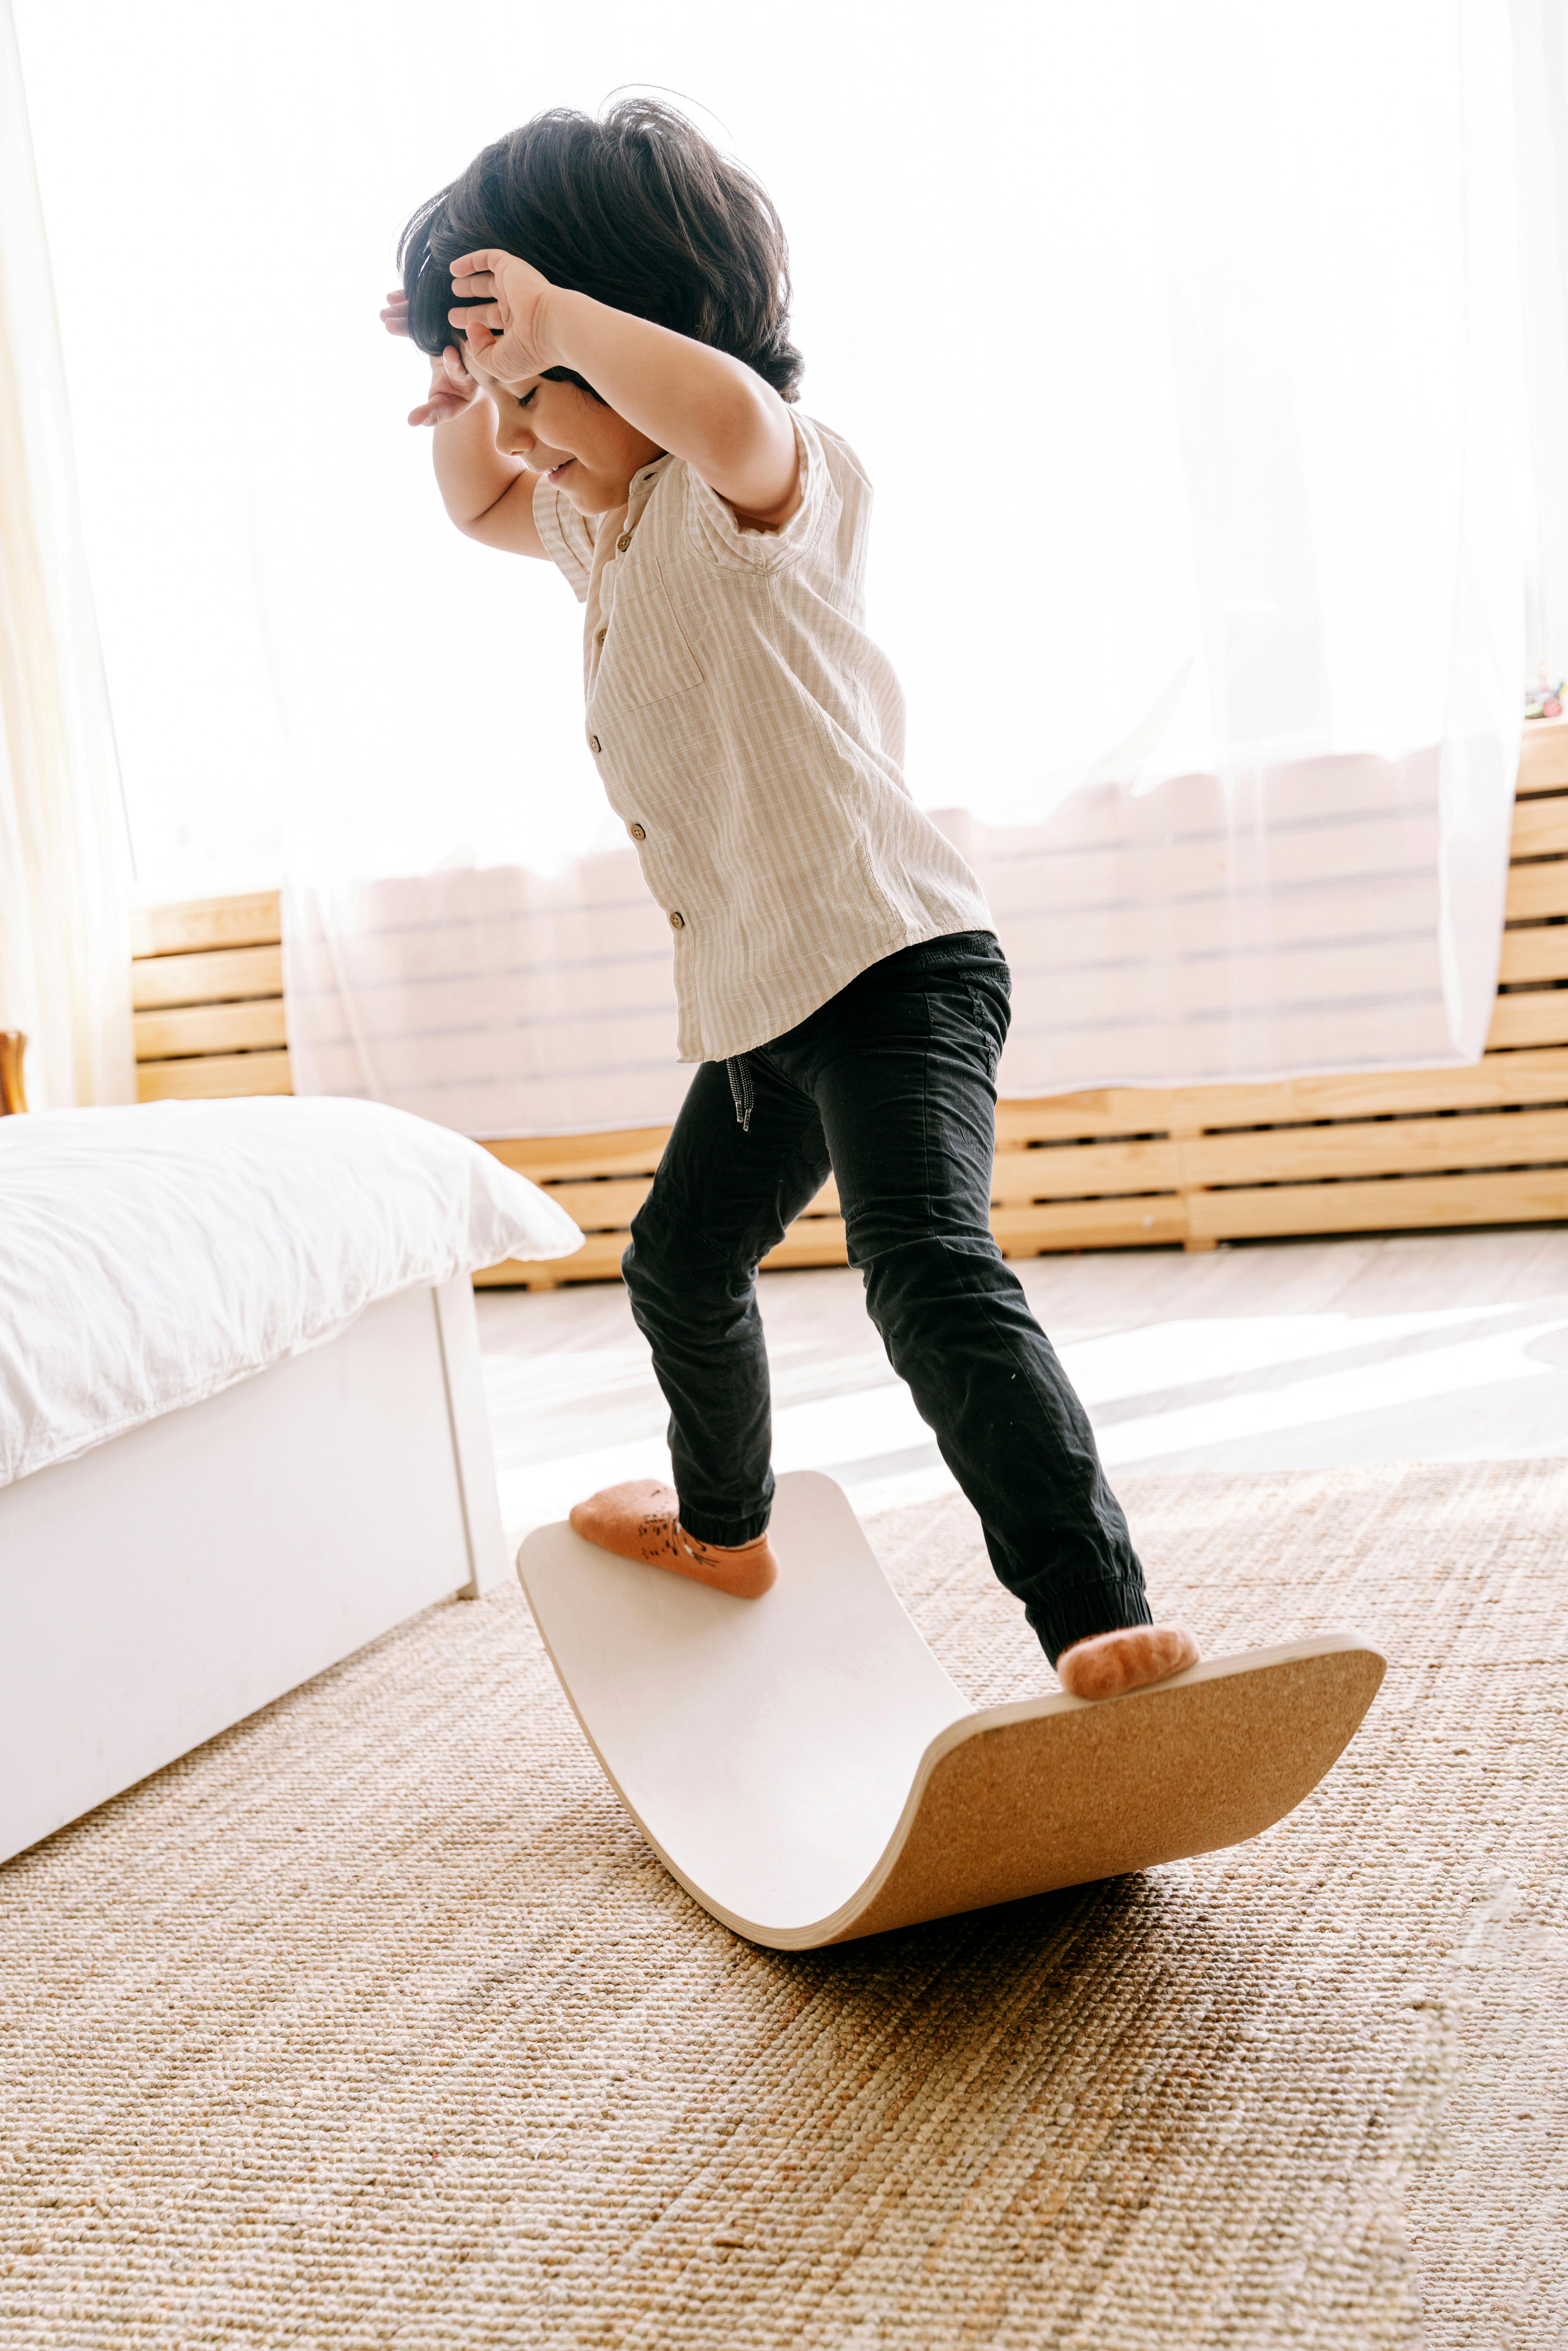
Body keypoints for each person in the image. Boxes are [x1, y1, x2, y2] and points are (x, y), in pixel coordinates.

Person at [384, 98, 1197, 1701]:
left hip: (895, 966)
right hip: (766, 1001)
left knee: (926, 1272)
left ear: (635, 337)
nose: (522, 438)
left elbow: (716, 404)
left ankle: (1095, 1614)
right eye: (502, 402)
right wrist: (472, 375)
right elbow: (478, 503)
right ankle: (722, 1528)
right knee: (676, 1266)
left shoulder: (758, 482)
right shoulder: (604, 526)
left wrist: (561, 336)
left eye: (539, 393)